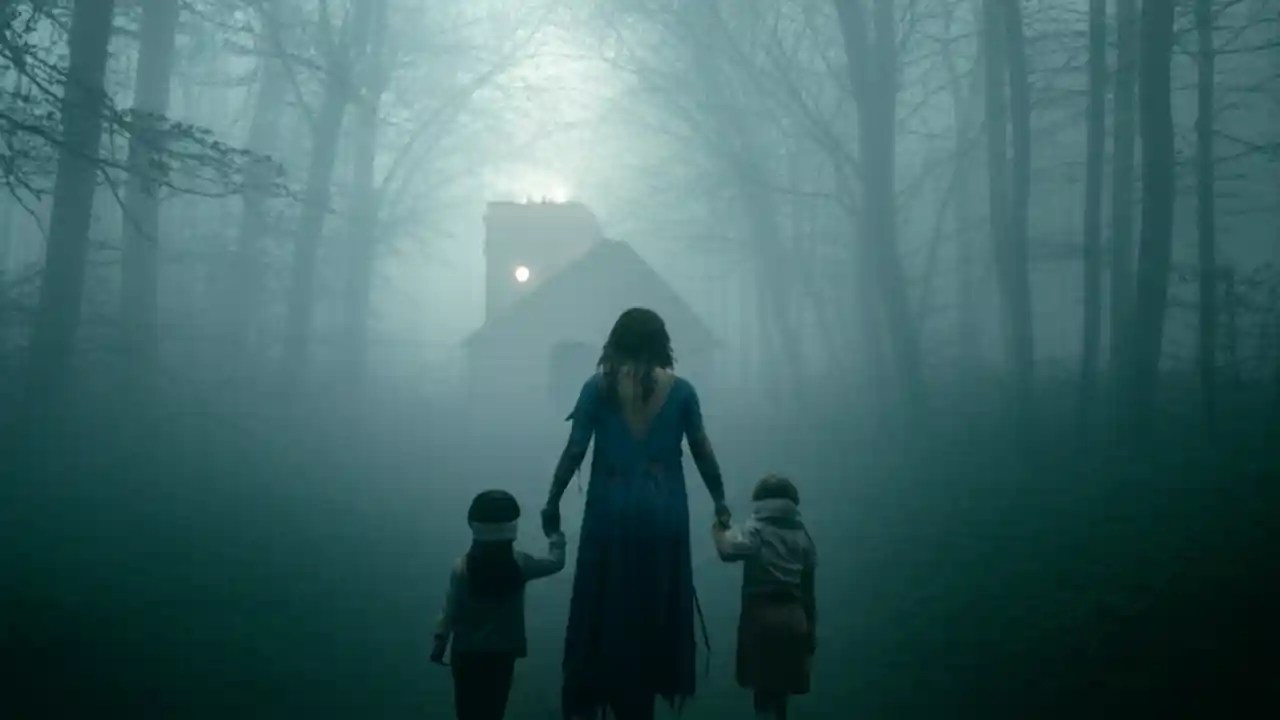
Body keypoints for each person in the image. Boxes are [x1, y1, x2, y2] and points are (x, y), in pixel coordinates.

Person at [541, 307, 730, 720]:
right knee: (653, 606)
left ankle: (600, 692)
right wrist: (720, 500)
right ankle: (639, 703)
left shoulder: (598, 387)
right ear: (661, 343)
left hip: (609, 511)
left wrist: (552, 500)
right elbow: (703, 451)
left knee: (603, 603)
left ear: (617, 340)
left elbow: (576, 449)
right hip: (664, 514)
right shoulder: (682, 392)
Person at [432, 489, 567, 720]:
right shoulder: (520, 564)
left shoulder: (461, 566)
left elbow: (450, 609)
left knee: (467, 711)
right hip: (502, 654)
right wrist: (554, 535)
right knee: (494, 710)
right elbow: (556, 563)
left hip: (466, 653)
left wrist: (440, 642)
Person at [712, 474, 817, 720]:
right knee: (783, 694)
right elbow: (809, 595)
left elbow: (727, 551)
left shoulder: (755, 530)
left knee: (763, 692)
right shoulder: (804, 538)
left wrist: (718, 530)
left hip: (761, 617)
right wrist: (811, 632)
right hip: (795, 617)